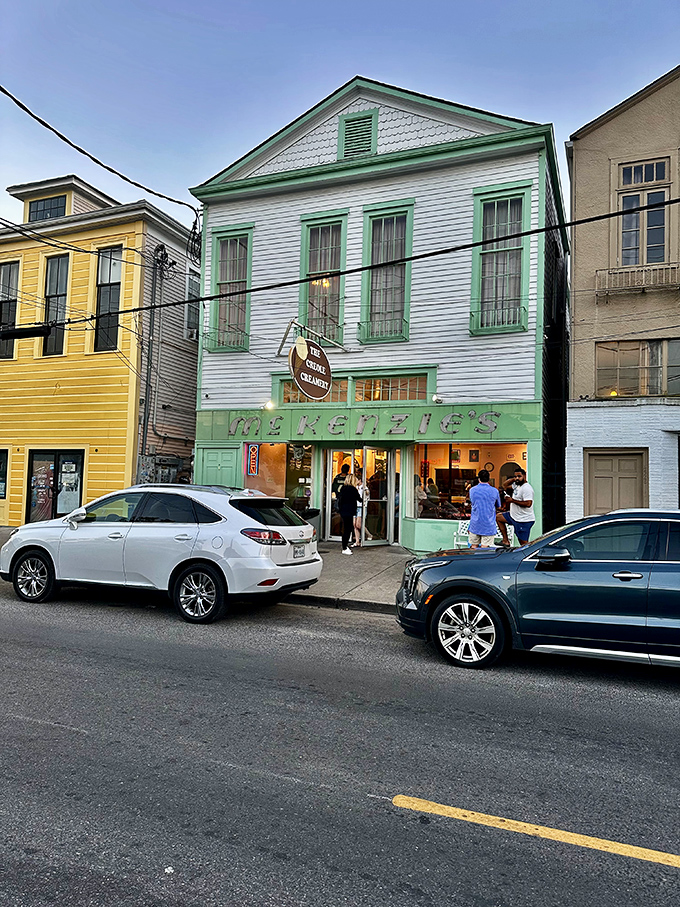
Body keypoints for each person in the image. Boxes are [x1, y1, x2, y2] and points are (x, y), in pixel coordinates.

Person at [497, 466, 535, 547]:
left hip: (523, 520)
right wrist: (514, 479)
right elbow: (505, 485)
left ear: (524, 476)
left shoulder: (527, 488)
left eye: (519, 476)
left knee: (523, 544)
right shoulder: (517, 485)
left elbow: (528, 504)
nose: (517, 478)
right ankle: (505, 541)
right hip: (513, 516)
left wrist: (512, 501)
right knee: (498, 517)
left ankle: (528, 556)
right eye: (515, 476)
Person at [468, 469, 501, 548]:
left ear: (478, 479)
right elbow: (498, 506)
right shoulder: (494, 491)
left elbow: (472, 503)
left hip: (475, 524)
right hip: (488, 524)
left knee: (473, 546)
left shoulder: (472, 490)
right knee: (485, 548)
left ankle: (472, 560)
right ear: (489, 478)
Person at [337, 474, 361, 555]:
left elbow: (340, 499)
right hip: (349, 511)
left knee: (346, 529)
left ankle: (345, 546)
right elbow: (359, 499)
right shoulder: (353, 489)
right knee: (348, 529)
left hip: (343, 511)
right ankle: (344, 547)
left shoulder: (343, 488)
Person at [353, 474, 372, 546]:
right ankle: (357, 541)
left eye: (356, 480)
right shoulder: (355, 487)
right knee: (355, 524)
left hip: (361, 507)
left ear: (360, 480)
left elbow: (366, 496)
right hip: (355, 506)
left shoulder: (364, 488)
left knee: (359, 524)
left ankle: (369, 534)